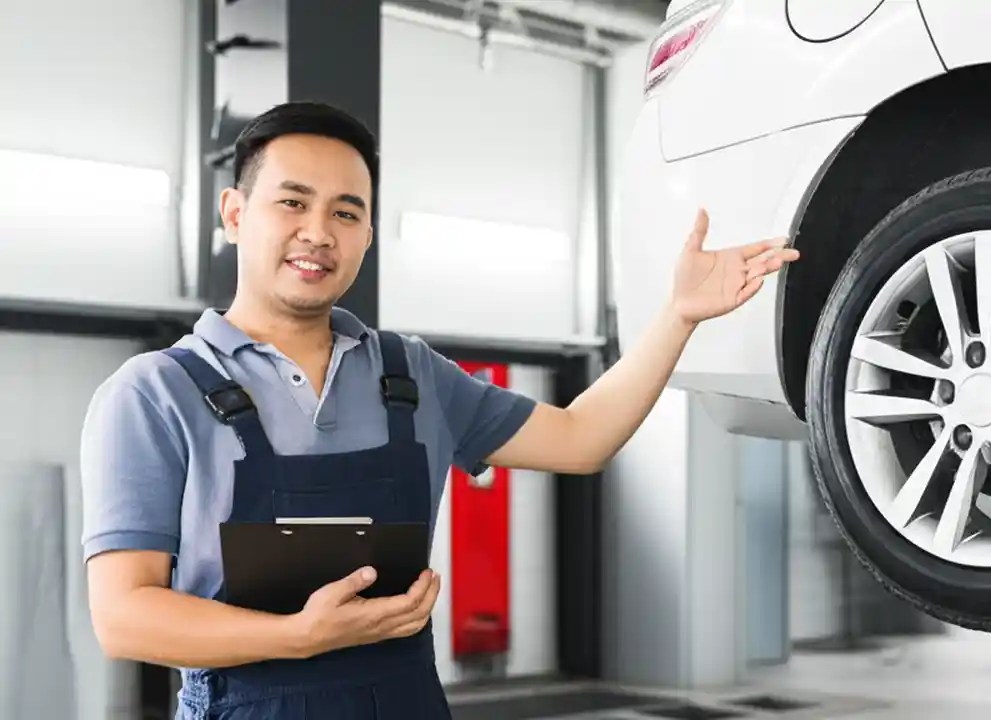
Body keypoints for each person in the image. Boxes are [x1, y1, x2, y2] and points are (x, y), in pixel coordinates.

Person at [79, 101, 799, 719]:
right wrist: (301, 635)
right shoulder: (153, 394)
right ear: (236, 214)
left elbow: (582, 438)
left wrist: (679, 315)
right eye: (292, 202)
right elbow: (124, 616)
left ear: (366, 234)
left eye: (346, 212)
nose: (318, 232)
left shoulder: (411, 376)